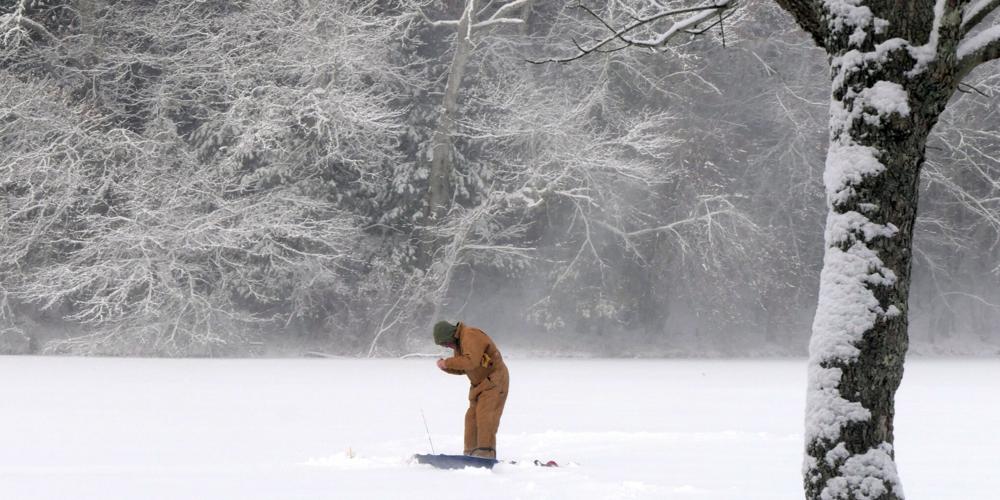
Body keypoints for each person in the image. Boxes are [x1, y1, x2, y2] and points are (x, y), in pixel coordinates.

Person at [433, 320, 509, 459]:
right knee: (471, 419)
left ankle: (485, 455)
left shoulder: (470, 335)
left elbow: (470, 361)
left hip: (495, 380)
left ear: (449, 335)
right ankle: (470, 455)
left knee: (485, 417)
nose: (447, 346)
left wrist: (447, 362)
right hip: (478, 385)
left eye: (445, 343)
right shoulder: (459, 344)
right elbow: (464, 368)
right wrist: (445, 368)